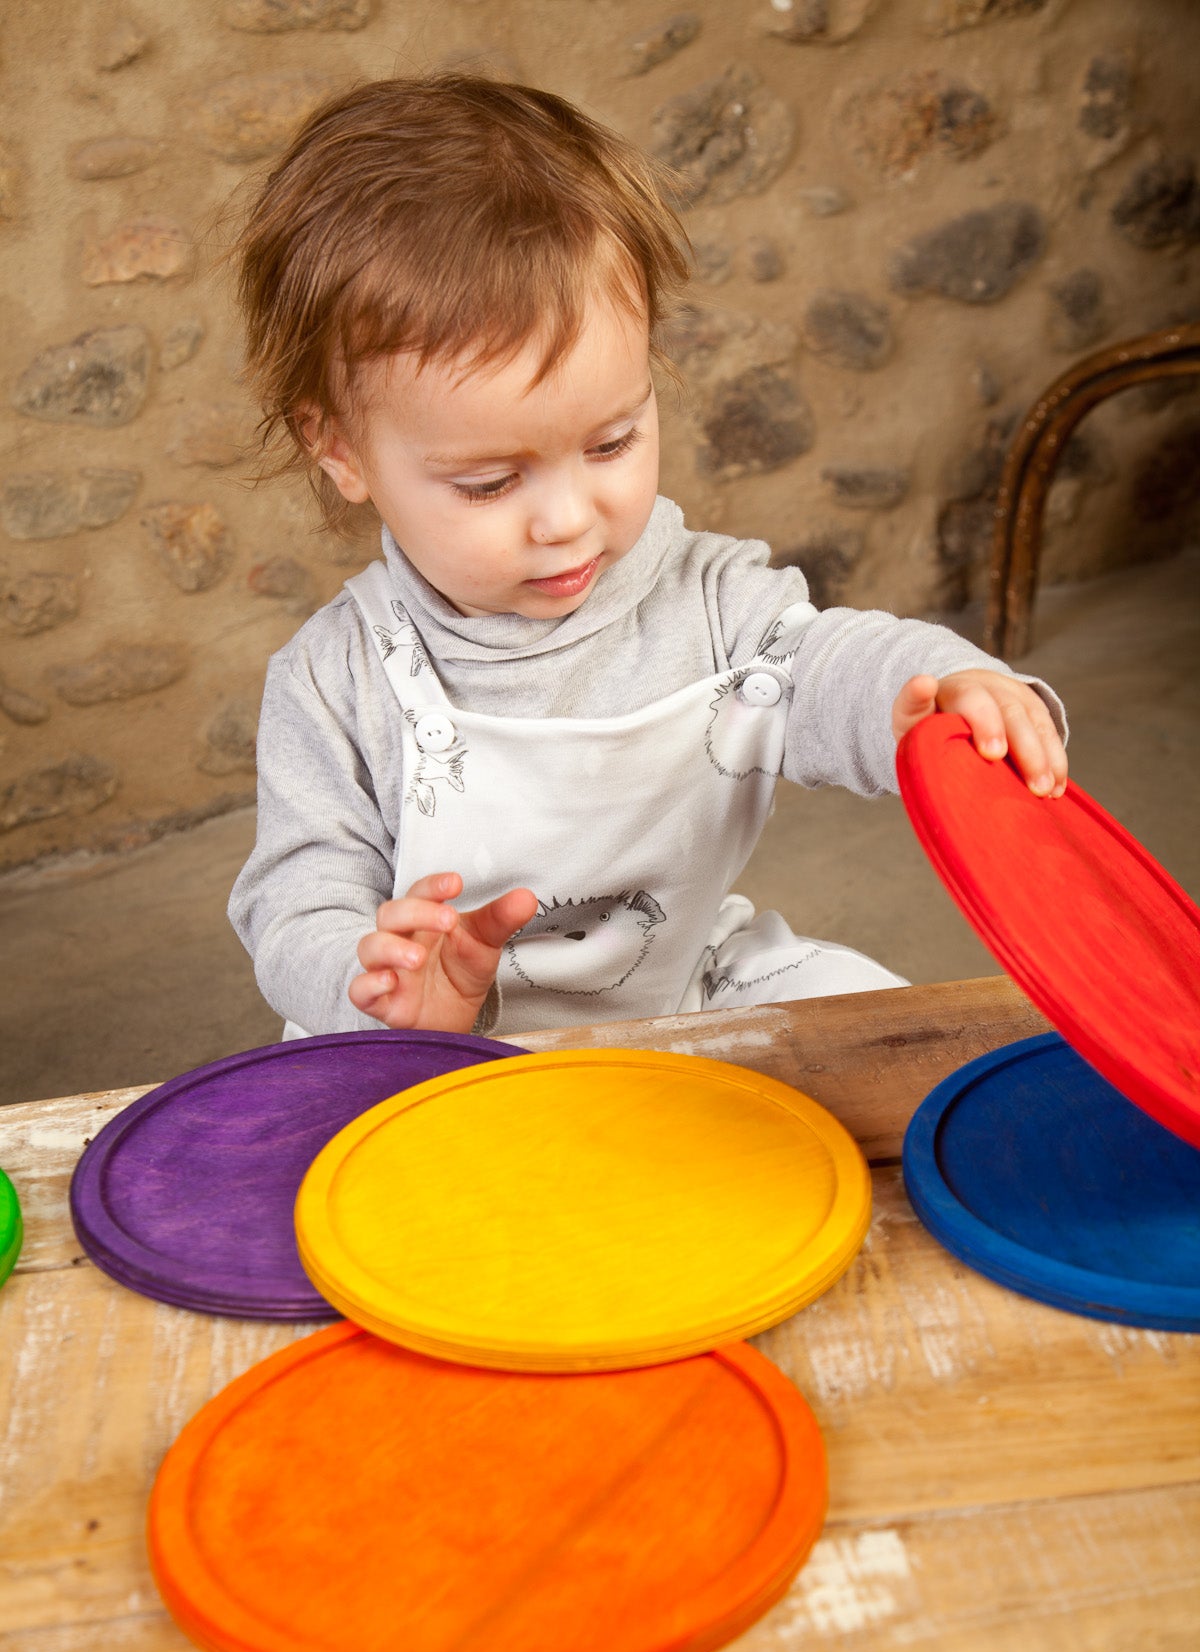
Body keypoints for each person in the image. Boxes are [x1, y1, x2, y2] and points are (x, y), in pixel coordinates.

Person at [228, 74, 1067, 1041]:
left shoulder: (706, 604)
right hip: (427, 1044)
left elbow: (830, 668)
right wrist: (365, 981)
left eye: (611, 443)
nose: (568, 519)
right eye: (491, 483)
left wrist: (948, 685)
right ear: (339, 448)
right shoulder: (334, 684)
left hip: (685, 992)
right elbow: (296, 903)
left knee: (904, 1039)